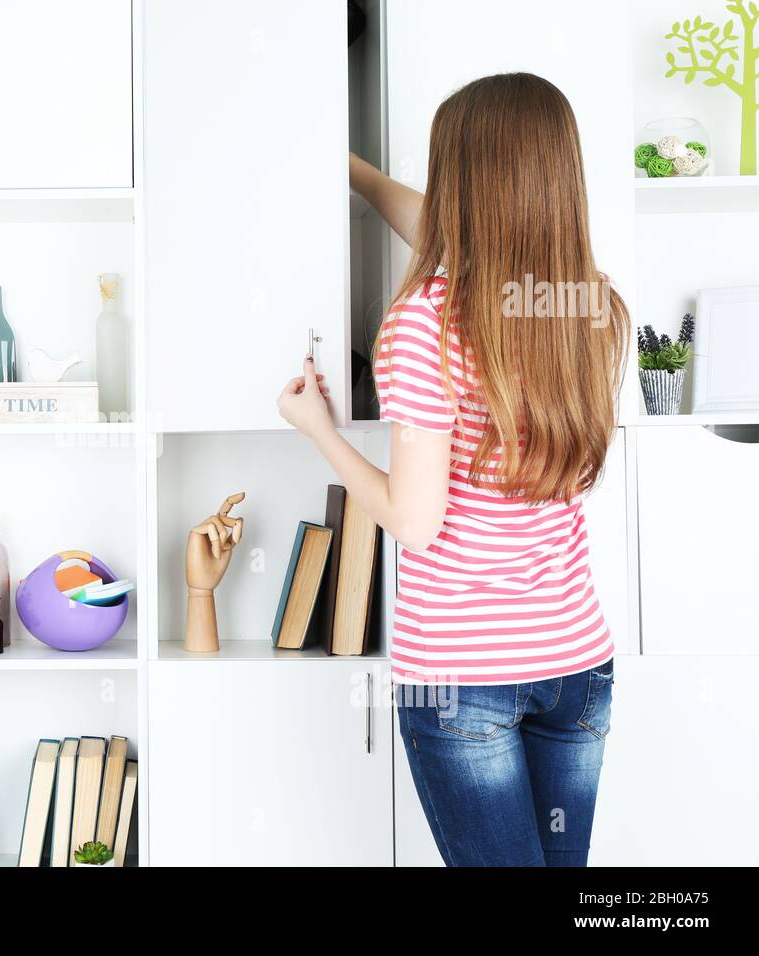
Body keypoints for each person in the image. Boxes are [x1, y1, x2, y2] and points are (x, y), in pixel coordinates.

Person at [277, 73, 629, 866]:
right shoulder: (585, 307)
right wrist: (362, 176)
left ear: (461, 184)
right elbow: (465, 247)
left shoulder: (422, 325)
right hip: (575, 662)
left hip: (464, 676)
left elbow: (413, 521)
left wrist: (319, 432)